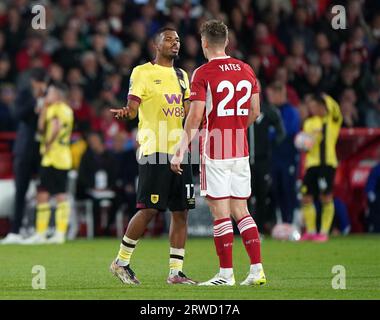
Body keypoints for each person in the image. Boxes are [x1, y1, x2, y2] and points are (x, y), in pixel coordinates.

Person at [171, 20, 266, 286]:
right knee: (242, 210)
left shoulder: (203, 73)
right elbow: (255, 111)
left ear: (203, 43)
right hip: (240, 149)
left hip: (215, 150)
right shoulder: (246, 70)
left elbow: (195, 116)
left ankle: (226, 274)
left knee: (220, 213)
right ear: (227, 41)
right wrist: (235, 129)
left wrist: (180, 151)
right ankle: (257, 270)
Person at [109, 27, 196, 285]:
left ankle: (175, 272)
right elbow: (134, 108)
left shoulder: (182, 76)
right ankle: (121, 262)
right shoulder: (142, 72)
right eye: (169, 39)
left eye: (178, 39)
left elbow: (188, 113)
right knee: (148, 210)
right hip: (154, 151)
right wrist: (127, 112)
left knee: (181, 212)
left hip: (180, 152)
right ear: (155, 44)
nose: (175, 43)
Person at [1, 68, 48, 244]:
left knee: (44, 190)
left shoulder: (51, 98)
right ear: (33, 82)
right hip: (24, 149)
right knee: (20, 191)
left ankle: (41, 230)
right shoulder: (25, 95)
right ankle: (15, 231)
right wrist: (36, 101)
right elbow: (17, 115)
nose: (41, 86)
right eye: (39, 82)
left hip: (43, 151)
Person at [22, 83, 74, 244]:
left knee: (59, 194)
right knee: (43, 193)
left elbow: (56, 128)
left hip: (58, 157)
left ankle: (59, 233)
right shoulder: (54, 108)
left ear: (58, 95)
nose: (47, 96)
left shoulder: (60, 109)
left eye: (50, 93)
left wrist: (49, 143)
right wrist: (44, 108)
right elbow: (40, 128)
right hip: (50, 158)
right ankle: (42, 233)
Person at [300, 93, 342, 242]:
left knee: (326, 196)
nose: (312, 108)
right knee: (306, 197)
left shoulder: (333, 120)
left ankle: (324, 232)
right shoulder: (309, 123)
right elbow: (304, 144)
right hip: (311, 164)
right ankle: (311, 232)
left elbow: (336, 109)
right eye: (310, 106)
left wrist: (326, 97)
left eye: (314, 105)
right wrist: (304, 142)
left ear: (322, 106)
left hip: (327, 164)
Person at [269, 81, 301, 225]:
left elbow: (287, 132)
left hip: (287, 157)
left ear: (281, 93)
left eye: (274, 94)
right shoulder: (271, 111)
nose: (271, 97)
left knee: (289, 189)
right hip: (274, 158)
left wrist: (272, 133)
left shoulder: (291, 112)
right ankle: (281, 222)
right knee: (276, 190)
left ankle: (292, 222)